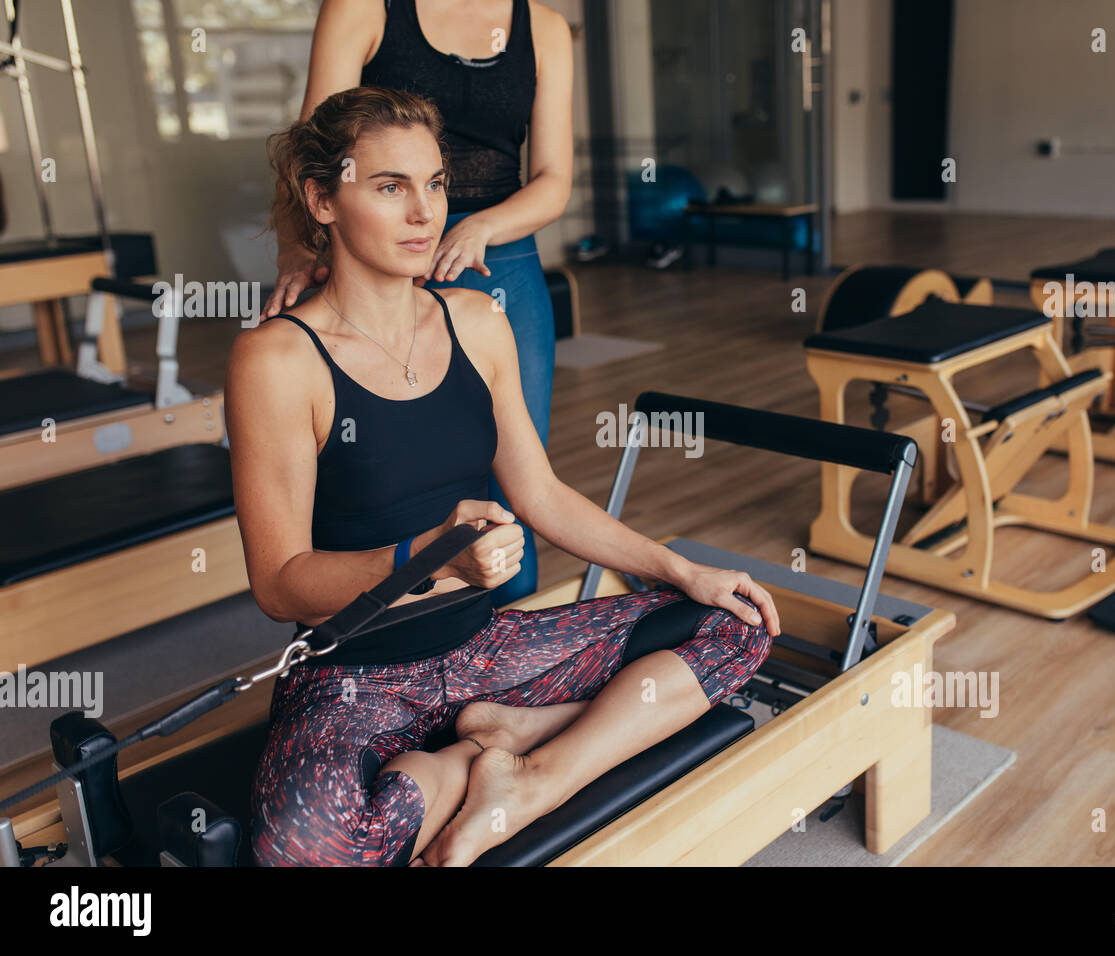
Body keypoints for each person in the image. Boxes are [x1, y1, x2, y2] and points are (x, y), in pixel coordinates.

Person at [229, 86, 778, 867]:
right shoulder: (278, 361)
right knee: (303, 850)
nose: (425, 213)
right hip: (358, 678)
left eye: (436, 184)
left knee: (735, 624)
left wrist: (681, 569)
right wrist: (429, 557)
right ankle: (465, 762)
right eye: (390, 187)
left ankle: (529, 775)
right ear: (323, 198)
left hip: (487, 653)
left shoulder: (478, 321)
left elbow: (540, 491)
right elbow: (279, 585)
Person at [260, 0, 574, 606]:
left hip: (496, 254)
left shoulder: (547, 29)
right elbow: (312, 151)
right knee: (391, 479)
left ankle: (500, 632)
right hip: (374, 243)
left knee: (514, 485)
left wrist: (481, 226)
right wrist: (297, 252)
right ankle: (404, 641)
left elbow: (554, 178)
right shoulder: (361, 9)